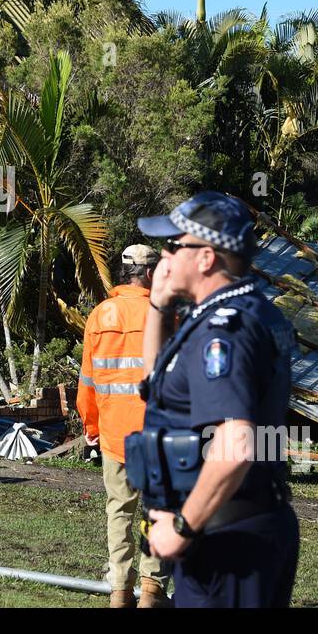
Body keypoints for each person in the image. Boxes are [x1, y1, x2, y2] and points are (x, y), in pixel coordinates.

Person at [132, 192, 299, 608]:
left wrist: (184, 526)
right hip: (227, 529)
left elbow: (237, 442)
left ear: (205, 258)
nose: (163, 257)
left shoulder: (224, 331)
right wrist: (159, 304)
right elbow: (157, 383)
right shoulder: (234, 313)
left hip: (228, 538)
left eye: (173, 245)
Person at [77, 244, 169, 608]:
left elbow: (88, 379)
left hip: (116, 434)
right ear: (150, 274)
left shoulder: (101, 314)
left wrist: (92, 426)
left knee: (119, 510)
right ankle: (151, 591)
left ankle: (119, 592)